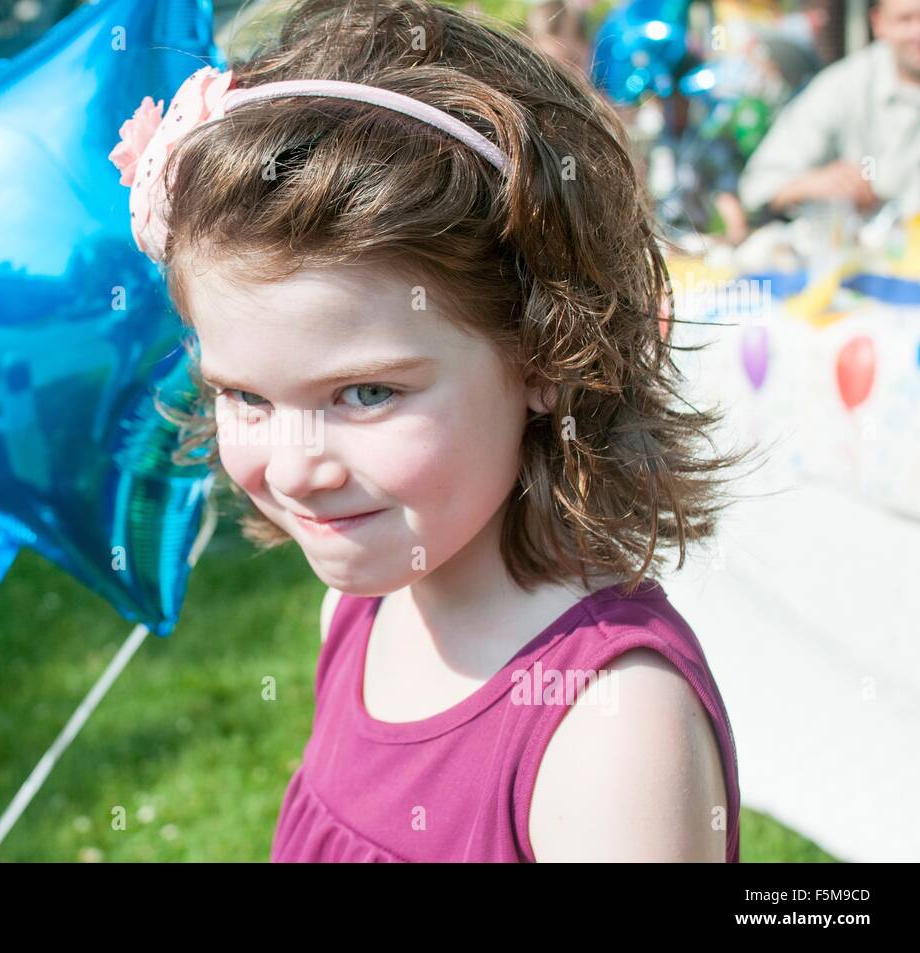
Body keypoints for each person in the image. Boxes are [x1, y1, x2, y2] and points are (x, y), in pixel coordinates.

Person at [110, 0, 752, 862]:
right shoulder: (361, 608)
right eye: (247, 397)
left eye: (366, 392)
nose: (296, 471)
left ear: (545, 355)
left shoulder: (611, 728)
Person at [738, 0, 920, 218]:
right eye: (905, 19)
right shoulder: (845, 85)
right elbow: (758, 186)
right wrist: (811, 184)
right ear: (878, 22)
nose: (917, 32)